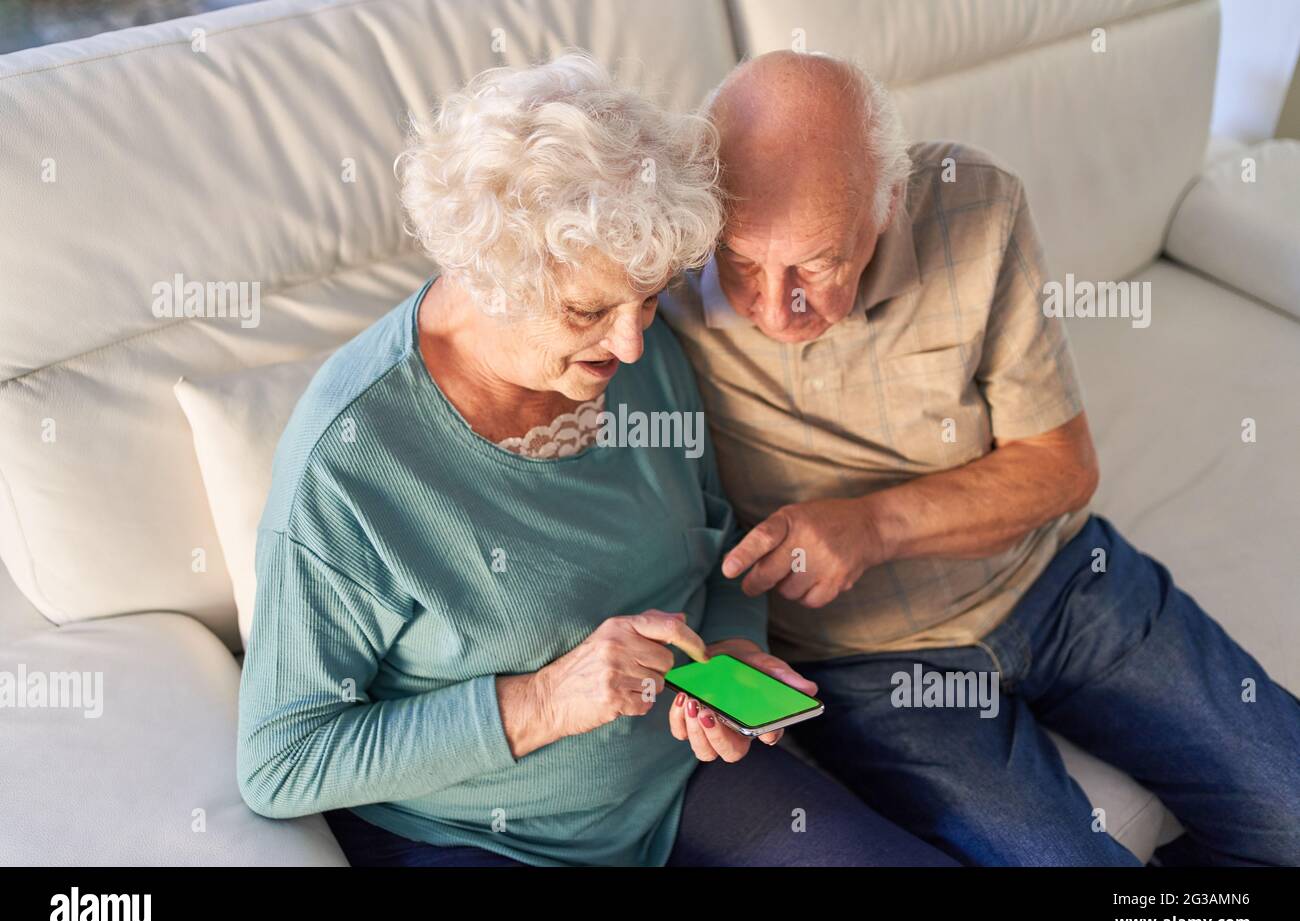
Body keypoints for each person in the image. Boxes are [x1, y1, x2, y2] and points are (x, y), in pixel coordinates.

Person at [236, 52, 956, 868]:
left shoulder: (639, 355)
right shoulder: (351, 466)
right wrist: (541, 701)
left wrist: (725, 657)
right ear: (486, 278)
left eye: (648, 296)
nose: (631, 340)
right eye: (587, 309)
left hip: (676, 782)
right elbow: (281, 760)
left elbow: (716, 547)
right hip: (480, 836)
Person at [661, 50, 1300, 866]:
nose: (774, 307)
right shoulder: (664, 271)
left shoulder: (974, 205)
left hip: (1057, 578)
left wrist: (871, 525)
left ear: (885, 205)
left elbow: (1062, 467)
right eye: (743, 262)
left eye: (817, 266)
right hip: (869, 660)